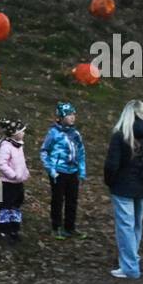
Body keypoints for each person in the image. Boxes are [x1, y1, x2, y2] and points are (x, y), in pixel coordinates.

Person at [103, 99, 143, 279]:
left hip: (122, 188)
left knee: (125, 227)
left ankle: (129, 268)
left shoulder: (120, 135)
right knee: (136, 225)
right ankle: (132, 259)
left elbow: (111, 165)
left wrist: (110, 182)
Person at [40, 102, 87, 239]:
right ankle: (56, 227)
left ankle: (70, 227)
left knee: (72, 200)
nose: (72, 117)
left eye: (73, 114)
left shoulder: (75, 134)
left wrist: (82, 169)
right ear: (60, 117)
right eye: (68, 115)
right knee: (57, 199)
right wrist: (51, 169)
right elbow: (44, 151)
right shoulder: (53, 133)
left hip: (73, 171)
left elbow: (81, 152)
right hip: (58, 172)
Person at [0, 119, 30, 243]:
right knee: (6, 204)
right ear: (14, 133)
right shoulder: (6, 147)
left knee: (16, 204)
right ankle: (4, 229)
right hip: (8, 183)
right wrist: (13, 175)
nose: (24, 133)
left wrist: (24, 173)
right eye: (22, 131)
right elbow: (2, 164)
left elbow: (21, 162)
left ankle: (14, 228)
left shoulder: (19, 145)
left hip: (18, 182)